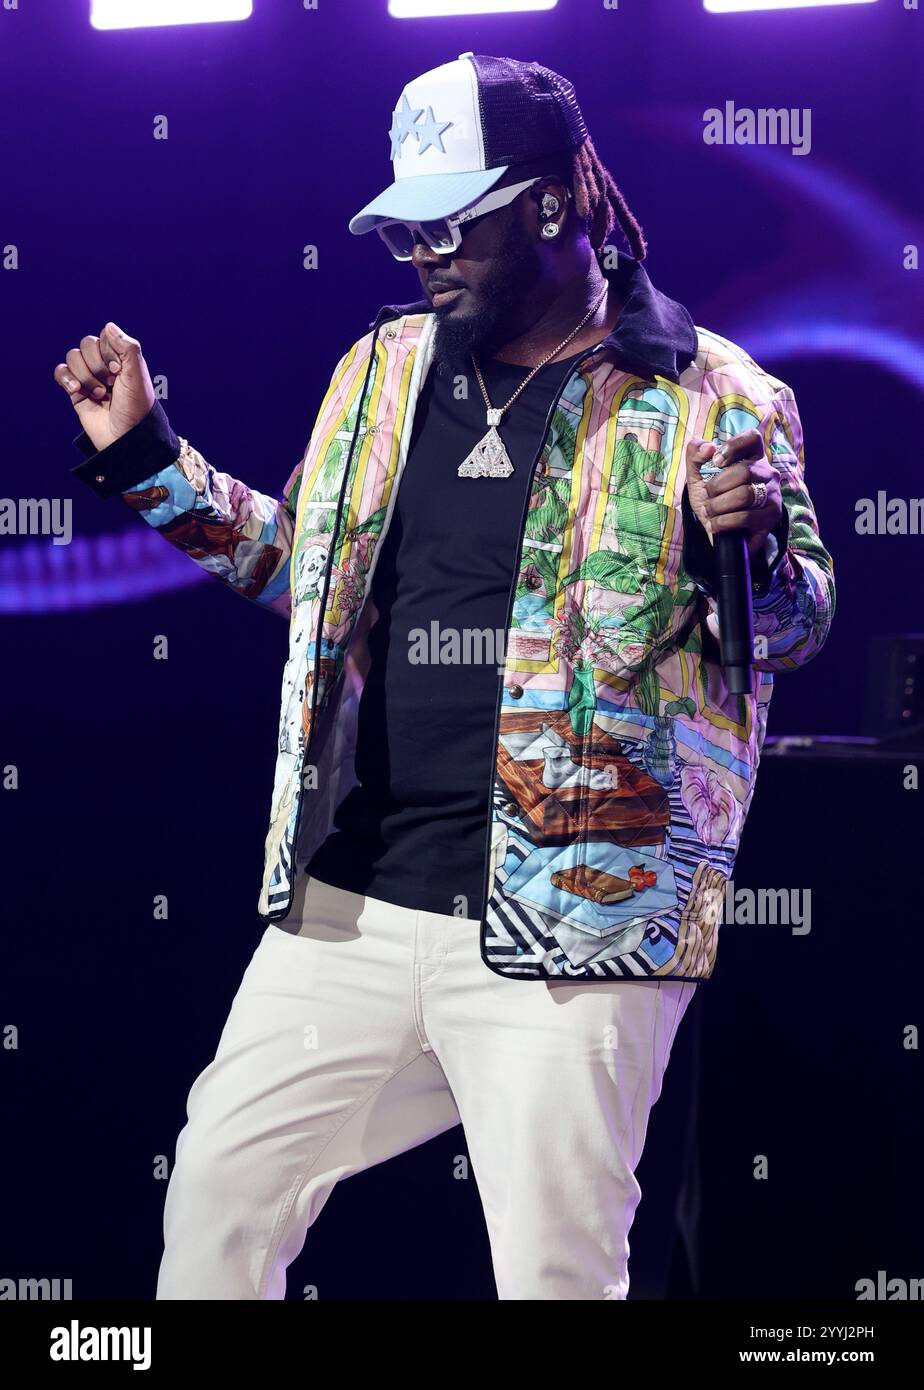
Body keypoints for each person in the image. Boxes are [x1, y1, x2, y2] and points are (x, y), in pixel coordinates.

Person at [55, 53, 835, 1301]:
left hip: (577, 922)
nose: (422, 251)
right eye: (406, 225)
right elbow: (299, 572)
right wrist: (149, 457)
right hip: (359, 901)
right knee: (216, 1200)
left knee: (553, 1274)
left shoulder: (710, 394)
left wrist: (730, 550)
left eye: (451, 223)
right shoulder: (381, 373)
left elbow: (797, 627)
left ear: (546, 204)